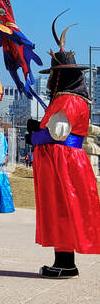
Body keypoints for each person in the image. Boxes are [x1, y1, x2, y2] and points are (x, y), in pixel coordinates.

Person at [32, 16, 100, 279]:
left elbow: (57, 133)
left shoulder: (67, 101)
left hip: (63, 162)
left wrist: (35, 134)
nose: (52, 82)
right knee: (64, 208)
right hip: (67, 160)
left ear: (61, 77)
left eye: (55, 76)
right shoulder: (76, 99)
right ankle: (64, 261)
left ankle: (65, 263)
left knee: (62, 208)